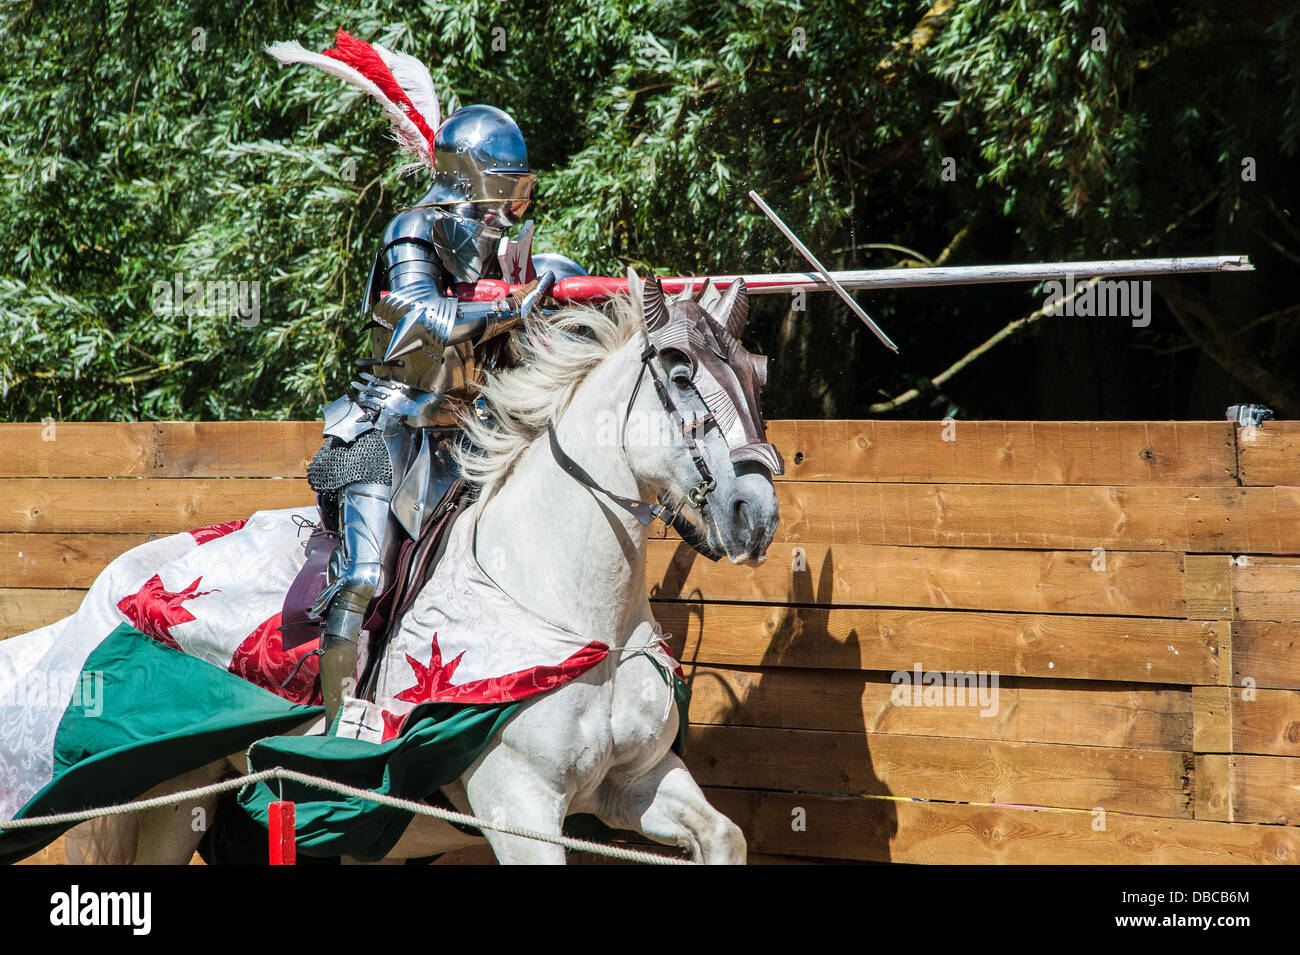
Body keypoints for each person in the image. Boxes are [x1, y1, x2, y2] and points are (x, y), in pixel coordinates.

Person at [270, 31, 586, 725]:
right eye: (505, 187)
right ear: (472, 180)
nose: (515, 204)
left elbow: (541, 313)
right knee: (362, 575)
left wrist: (567, 288)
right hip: (386, 428)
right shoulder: (411, 228)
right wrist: (507, 306)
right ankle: (335, 721)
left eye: (521, 189)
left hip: (472, 434)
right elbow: (416, 319)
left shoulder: (513, 249)